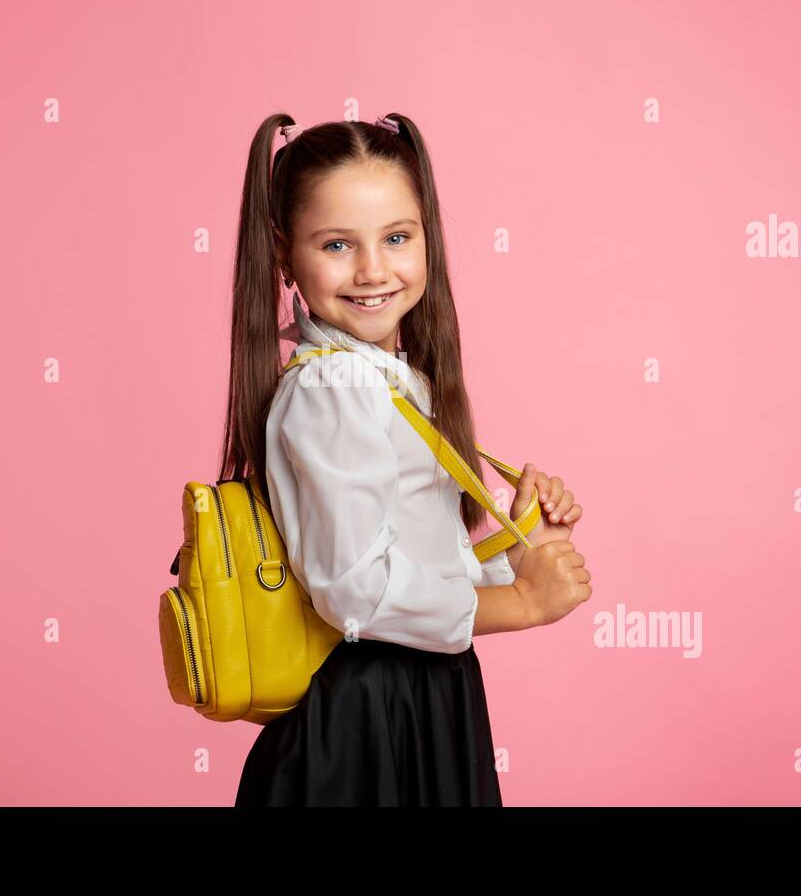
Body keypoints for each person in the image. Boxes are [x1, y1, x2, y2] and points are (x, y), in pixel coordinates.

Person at [221, 113, 594, 806]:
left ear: (428, 237)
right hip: (367, 721)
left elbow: (410, 572)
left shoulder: (386, 378)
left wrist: (518, 552)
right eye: (337, 244)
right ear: (283, 253)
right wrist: (520, 603)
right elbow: (356, 594)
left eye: (397, 237)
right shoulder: (335, 387)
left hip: (414, 701)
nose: (372, 270)